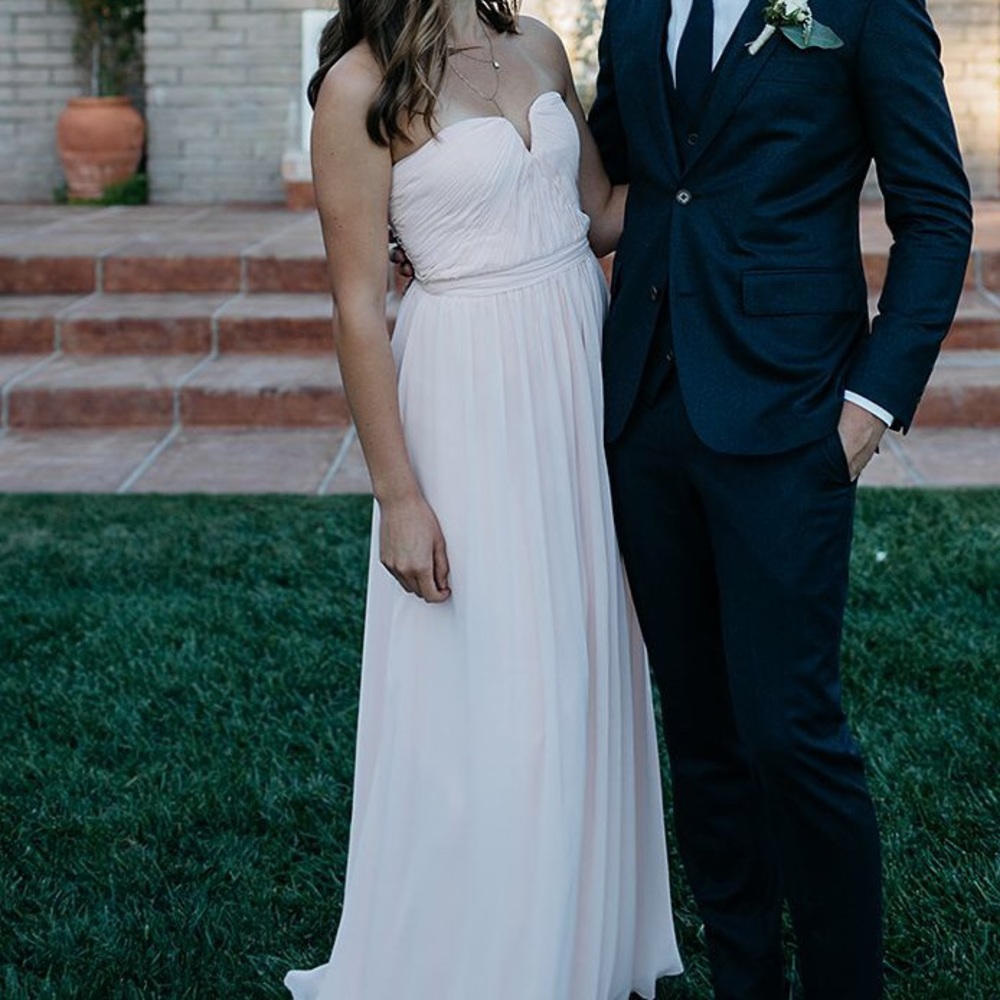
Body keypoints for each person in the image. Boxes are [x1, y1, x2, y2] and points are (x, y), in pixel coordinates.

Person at [283, 1, 683, 997]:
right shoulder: (359, 85)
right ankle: (487, 955)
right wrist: (398, 495)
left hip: (572, 379)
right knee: (497, 678)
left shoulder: (537, 44)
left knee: (580, 661)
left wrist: (737, 153)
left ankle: (580, 939)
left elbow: (597, 212)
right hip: (465, 395)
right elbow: (355, 307)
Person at [587, 0, 973, 995]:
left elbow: (935, 212)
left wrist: (868, 406)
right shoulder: (632, 7)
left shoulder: (869, 7)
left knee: (787, 728)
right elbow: (607, 170)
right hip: (643, 407)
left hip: (792, 412)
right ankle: (745, 978)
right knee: (703, 734)